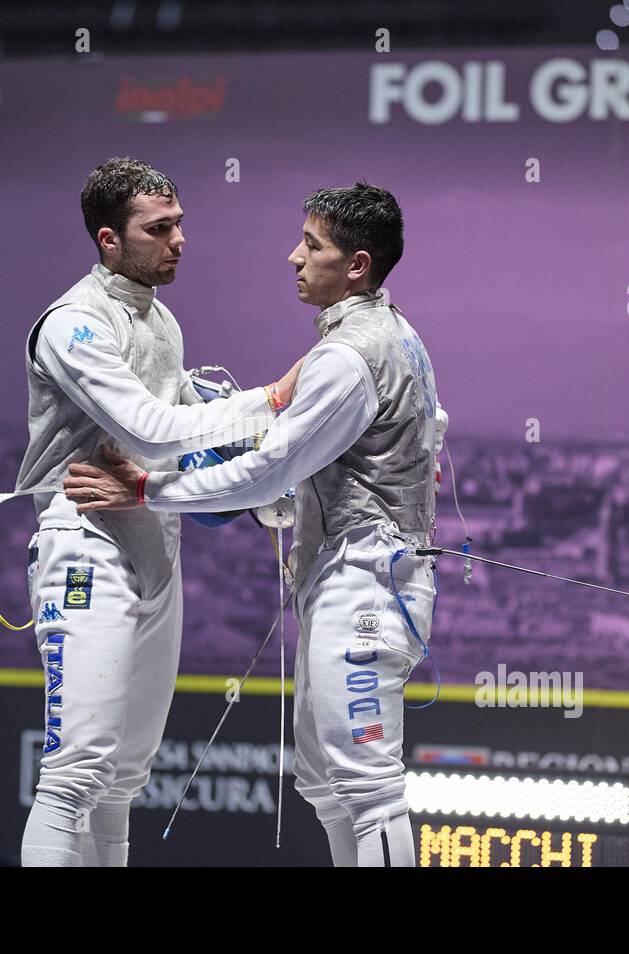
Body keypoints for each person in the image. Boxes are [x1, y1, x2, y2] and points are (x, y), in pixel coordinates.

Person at [64, 182, 448, 867]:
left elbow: (268, 470)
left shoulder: (350, 355)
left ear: (356, 265)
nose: (294, 257)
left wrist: (150, 488)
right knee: (325, 782)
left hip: (366, 589)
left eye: (313, 245)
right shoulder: (390, 334)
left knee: (365, 783)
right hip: (351, 580)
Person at [16, 157, 305, 866]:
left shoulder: (164, 323)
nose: (179, 240)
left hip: (155, 552)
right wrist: (267, 400)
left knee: (121, 783)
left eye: (180, 224)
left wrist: (261, 471)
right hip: (85, 546)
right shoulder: (73, 325)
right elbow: (146, 429)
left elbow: (180, 439)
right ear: (109, 239)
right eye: (159, 228)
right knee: (75, 773)